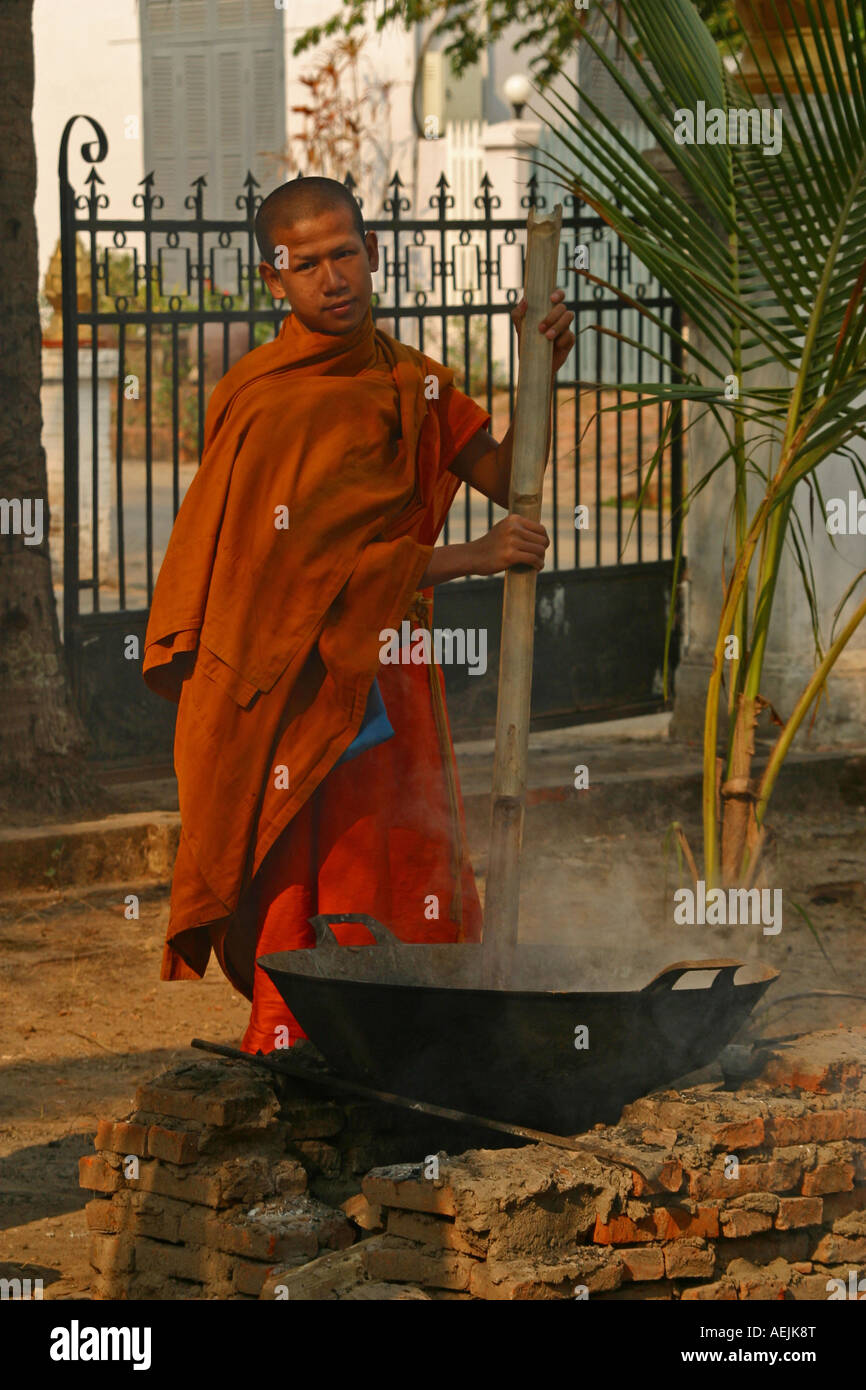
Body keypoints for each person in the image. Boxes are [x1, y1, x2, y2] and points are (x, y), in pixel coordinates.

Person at [143, 177, 574, 1054]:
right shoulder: (265, 398)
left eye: (344, 254)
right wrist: (469, 558)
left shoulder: (412, 381)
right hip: (298, 675)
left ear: (372, 254)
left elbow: (504, 475)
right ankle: (292, 1023)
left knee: (401, 836)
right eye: (305, 264)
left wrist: (540, 370)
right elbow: (292, 569)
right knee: (310, 842)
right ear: (274, 278)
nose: (331, 278)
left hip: (393, 663)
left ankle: (414, 1024)